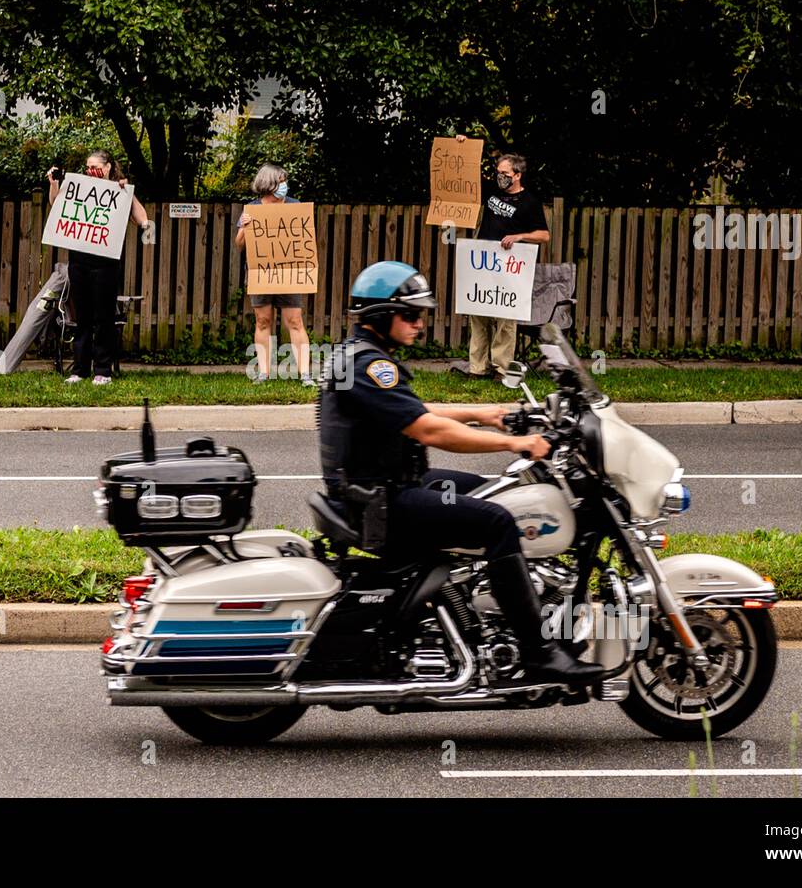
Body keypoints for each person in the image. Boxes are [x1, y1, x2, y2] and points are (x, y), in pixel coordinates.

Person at [318, 260, 604, 684]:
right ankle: (539, 651)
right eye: (411, 314)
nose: (420, 323)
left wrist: (484, 414)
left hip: (382, 489)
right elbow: (428, 429)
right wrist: (515, 443)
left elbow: (413, 410)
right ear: (381, 315)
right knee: (498, 522)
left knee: (493, 490)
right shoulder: (370, 367)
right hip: (381, 503)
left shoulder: (363, 357)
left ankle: (473, 606)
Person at [46, 150, 149, 385]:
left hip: (106, 264)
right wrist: (54, 184)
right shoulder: (79, 188)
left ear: (108, 167)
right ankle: (80, 370)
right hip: (79, 261)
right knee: (82, 318)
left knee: (104, 318)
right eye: (87, 166)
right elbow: (56, 205)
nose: (90, 170)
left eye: (95, 166)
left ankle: (102, 370)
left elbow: (139, 214)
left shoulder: (118, 190)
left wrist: (133, 204)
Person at [459, 139, 551, 378]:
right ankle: (477, 369)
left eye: (504, 173)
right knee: (478, 317)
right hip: (482, 264)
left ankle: (501, 368)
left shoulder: (530, 202)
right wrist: (461, 146)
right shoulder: (491, 191)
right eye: (498, 173)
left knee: (505, 320)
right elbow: (465, 175)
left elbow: (544, 235)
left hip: (509, 269)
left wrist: (519, 236)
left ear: (517, 175)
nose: (499, 177)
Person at [233, 163, 314, 385]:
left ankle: (305, 374)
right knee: (263, 320)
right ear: (269, 183)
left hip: (288, 273)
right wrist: (246, 228)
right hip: (261, 274)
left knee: (295, 321)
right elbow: (239, 244)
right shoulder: (252, 208)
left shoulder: (295, 206)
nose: (284, 186)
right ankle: (264, 372)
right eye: (281, 181)